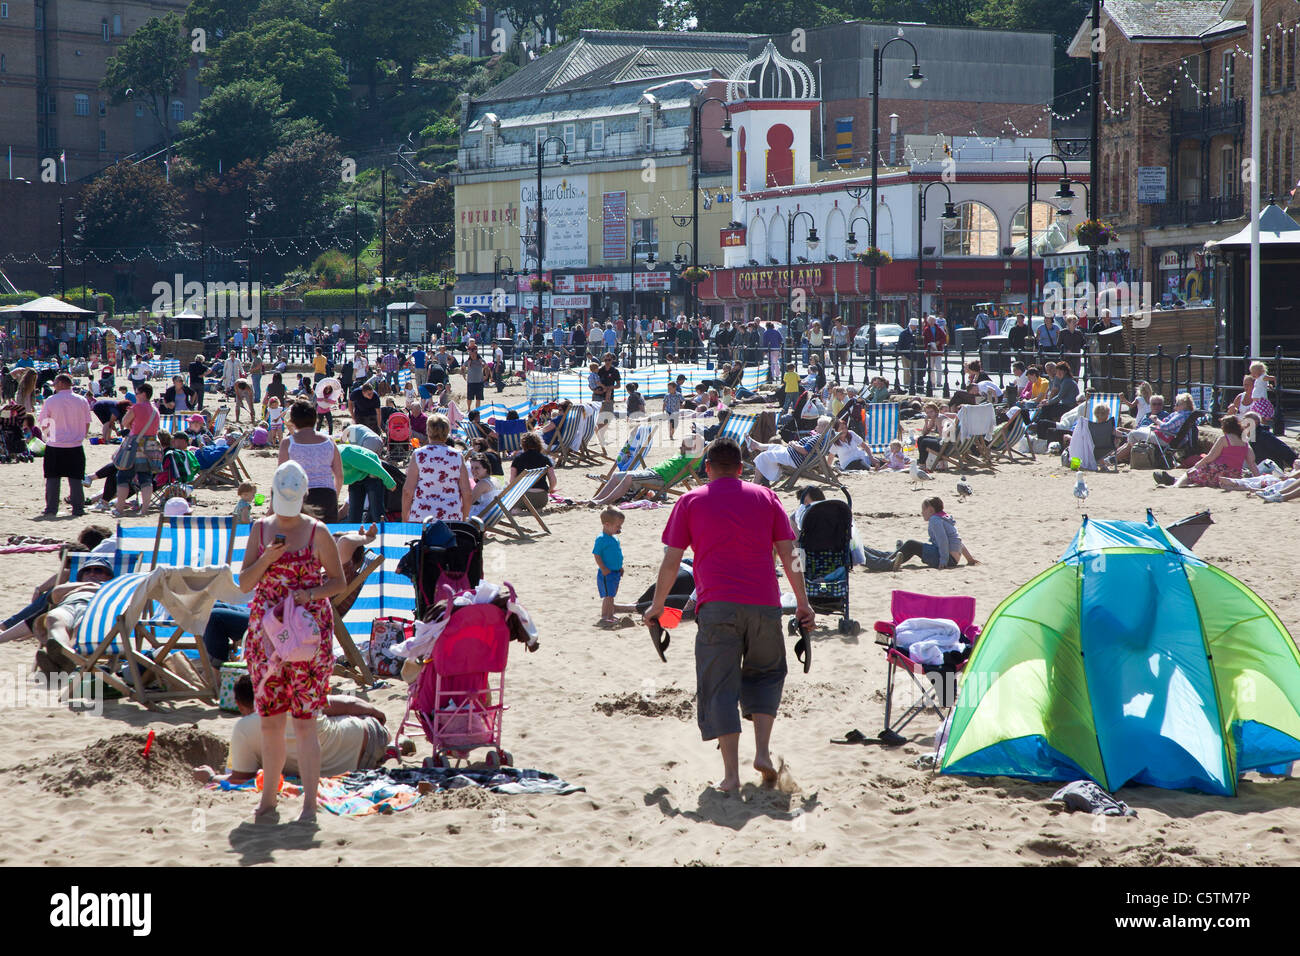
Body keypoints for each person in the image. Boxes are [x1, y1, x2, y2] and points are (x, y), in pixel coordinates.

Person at [644, 437, 814, 792]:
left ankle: (731, 777)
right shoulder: (766, 497)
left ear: (707, 468)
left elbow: (672, 561)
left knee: (719, 685)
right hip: (765, 605)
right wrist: (802, 601)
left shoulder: (690, 501)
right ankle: (763, 754)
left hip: (716, 607)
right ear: (742, 468)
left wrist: (658, 606)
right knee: (767, 674)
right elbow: (790, 553)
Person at [239, 461, 348, 823]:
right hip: (268, 637)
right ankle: (268, 801)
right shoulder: (259, 529)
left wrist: (308, 594)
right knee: (270, 720)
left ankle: (308, 806)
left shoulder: (318, 532)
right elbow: (244, 583)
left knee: (304, 721)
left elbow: (338, 582)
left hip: (306, 637)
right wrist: (267, 558)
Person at [193, 676, 392, 786]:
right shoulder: (296, 698)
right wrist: (376, 712)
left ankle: (390, 745)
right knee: (330, 717)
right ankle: (392, 743)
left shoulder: (246, 730)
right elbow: (349, 703)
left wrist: (211, 777)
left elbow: (239, 779)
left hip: (349, 766)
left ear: (239, 704)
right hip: (371, 740)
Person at [278, 401, 343, 522]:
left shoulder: (288, 443)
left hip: (300, 495)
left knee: (302, 538)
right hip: (327, 494)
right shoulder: (329, 441)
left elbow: (281, 477)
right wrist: (335, 497)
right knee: (326, 537)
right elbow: (339, 476)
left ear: (293, 420)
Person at [39, 373, 91, 519]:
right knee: (75, 478)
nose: (54, 386)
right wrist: (80, 436)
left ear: (61, 383)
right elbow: (87, 422)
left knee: (53, 478)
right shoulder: (81, 400)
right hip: (75, 444)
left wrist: (50, 436)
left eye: (55, 383)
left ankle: (51, 508)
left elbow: (44, 422)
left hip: (56, 444)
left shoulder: (51, 400)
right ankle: (78, 508)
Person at [1155, 414, 1257, 488]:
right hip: (1233, 476)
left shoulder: (1224, 439)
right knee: (1198, 478)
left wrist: (1196, 466)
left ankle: (1175, 485)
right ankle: (1175, 480)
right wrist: (1259, 479)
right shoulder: (1245, 442)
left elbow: (1210, 457)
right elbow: (1252, 463)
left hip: (1218, 471)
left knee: (1189, 473)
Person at [403, 413, 471, 522]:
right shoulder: (457, 456)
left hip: (422, 515)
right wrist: (464, 518)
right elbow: (467, 492)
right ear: (447, 432)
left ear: (428, 431)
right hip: (451, 515)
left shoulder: (419, 454)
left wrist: (404, 519)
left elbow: (408, 490)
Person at [114, 382, 163, 517]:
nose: (135, 395)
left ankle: (119, 509)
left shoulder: (136, 408)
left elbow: (124, 422)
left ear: (143, 394)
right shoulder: (155, 409)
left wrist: (131, 422)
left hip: (135, 445)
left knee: (123, 476)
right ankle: (145, 509)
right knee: (145, 478)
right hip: (150, 446)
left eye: (137, 393)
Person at [892, 496, 978, 569]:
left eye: (923, 509)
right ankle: (884, 557)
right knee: (906, 550)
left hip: (947, 559)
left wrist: (944, 560)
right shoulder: (944, 518)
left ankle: (888, 563)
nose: (922, 512)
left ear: (931, 510)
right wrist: (969, 559)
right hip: (952, 559)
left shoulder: (935, 520)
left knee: (911, 544)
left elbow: (942, 540)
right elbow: (958, 541)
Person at [749, 417, 831, 485]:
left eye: (818, 425)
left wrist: (794, 445)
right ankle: (757, 445)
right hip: (793, 456)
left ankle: (755, 482)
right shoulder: (821, 438)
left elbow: (805, 450)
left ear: (824, 427)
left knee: (764, 456)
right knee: (776, 447)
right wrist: (795, 445)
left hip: (794, 459)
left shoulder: (818, 438)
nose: (816, 427)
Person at [342, 431, 397, 522]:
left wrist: (390, 483)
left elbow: (373, 466)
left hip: (371, 471)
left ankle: (383, 533)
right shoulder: (327, 462)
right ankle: (355, 534)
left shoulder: (346, 453)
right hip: (357, 475)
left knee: (377, 513)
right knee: (353, 514)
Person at [593, 506, 626, 628]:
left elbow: (616, 554)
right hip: (607, 573)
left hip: (615, 571)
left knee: (612, 594)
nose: (620, 528)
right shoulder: (601, 539)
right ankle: (605, 616)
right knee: (608, 596)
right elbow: (597, 554)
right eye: (618, 526)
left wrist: (620, 567)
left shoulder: (614, 538)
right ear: (607, 524)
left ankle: (610, 614)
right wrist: (603, 568)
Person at [510, 430, 558, 513]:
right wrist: (550, 490)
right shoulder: (545, 459)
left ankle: (518, 510)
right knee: (537, 506)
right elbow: (553, 480)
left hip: (524, 498)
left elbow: (512, 481)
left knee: (514, 506)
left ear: (523, 445)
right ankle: (537, 509)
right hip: (541, 499)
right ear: (538, 444)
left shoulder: (517, 459)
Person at [461, 340, 486, 411]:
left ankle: (477, 409)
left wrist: (485, 375)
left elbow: (486, 366)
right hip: (471, 381)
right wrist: (464, 375)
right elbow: (462, 367)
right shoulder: (468, 360)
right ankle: (469, 409)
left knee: (478, 398)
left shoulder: (479, 358)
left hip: (479, 381)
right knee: (470, 397)